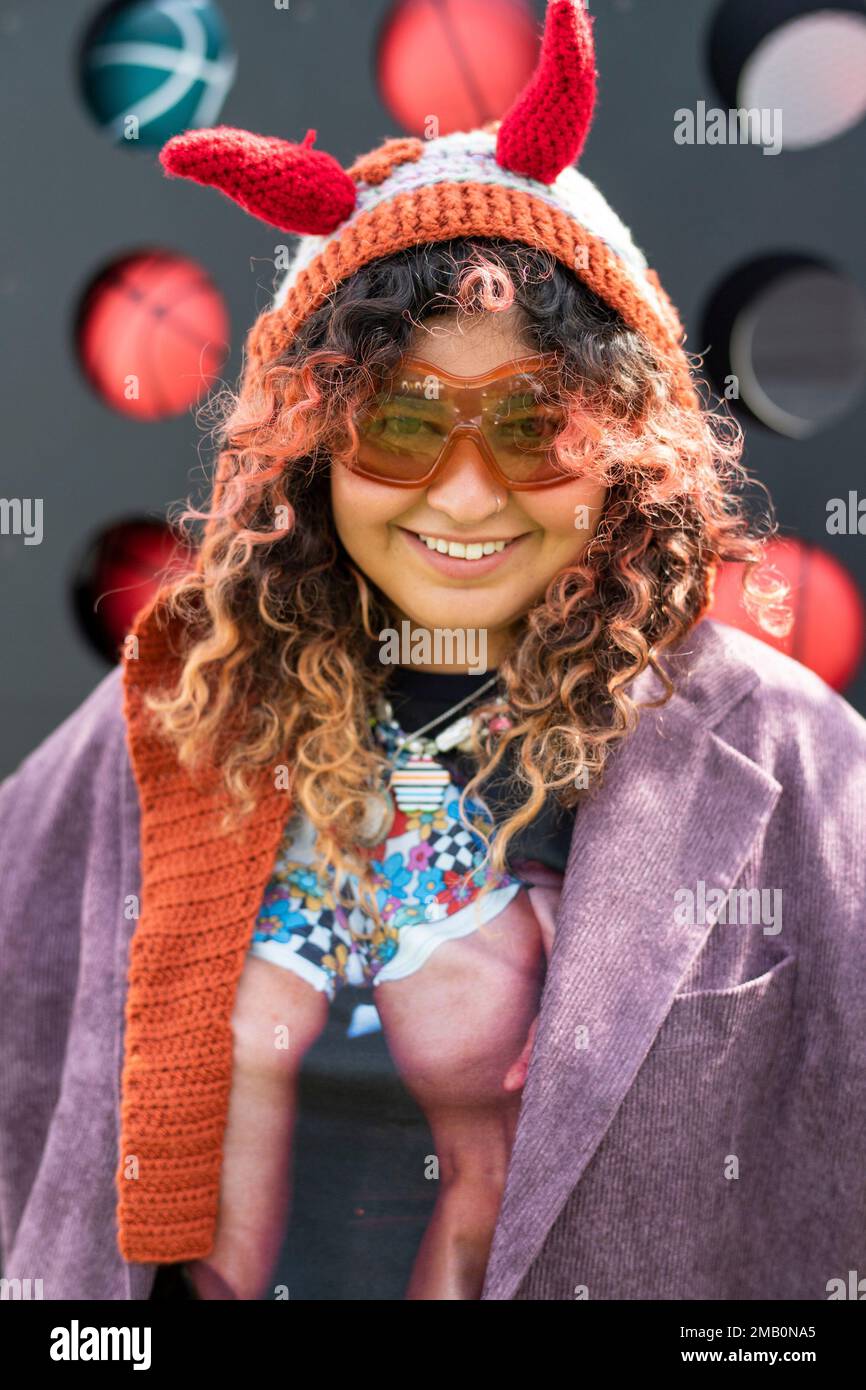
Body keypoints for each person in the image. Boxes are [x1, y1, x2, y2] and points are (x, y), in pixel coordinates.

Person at [1, 0, 864, 1302]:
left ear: (625, 444)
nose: (465, 497)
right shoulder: (174, 710)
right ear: (311, 442)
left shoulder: (786, 754)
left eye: (534, 426)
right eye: (402, 426)